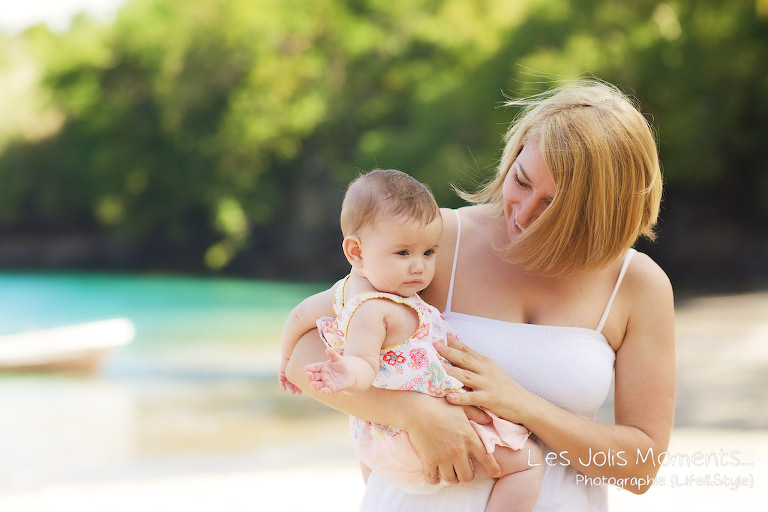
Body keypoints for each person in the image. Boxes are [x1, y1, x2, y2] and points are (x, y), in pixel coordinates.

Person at [284, 79, 675, 512]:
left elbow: (641, 468)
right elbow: (304, 356)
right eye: (521, 181)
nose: (523, 214)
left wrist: (522, 404)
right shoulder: (434, 246)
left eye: (552, 206)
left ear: (600, 210)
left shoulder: (637, 285)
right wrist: (412, 413)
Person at [280, 169, 544, 512]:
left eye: (429, 252)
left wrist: (286, 361)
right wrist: (349, 375)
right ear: (356, 252)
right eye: (403, 253)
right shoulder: (376, 311)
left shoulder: (341, 293)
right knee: (530, 462)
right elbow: (363, 361)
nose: (419, 267)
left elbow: (299, 317)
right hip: (414, 443)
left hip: (377, 446)